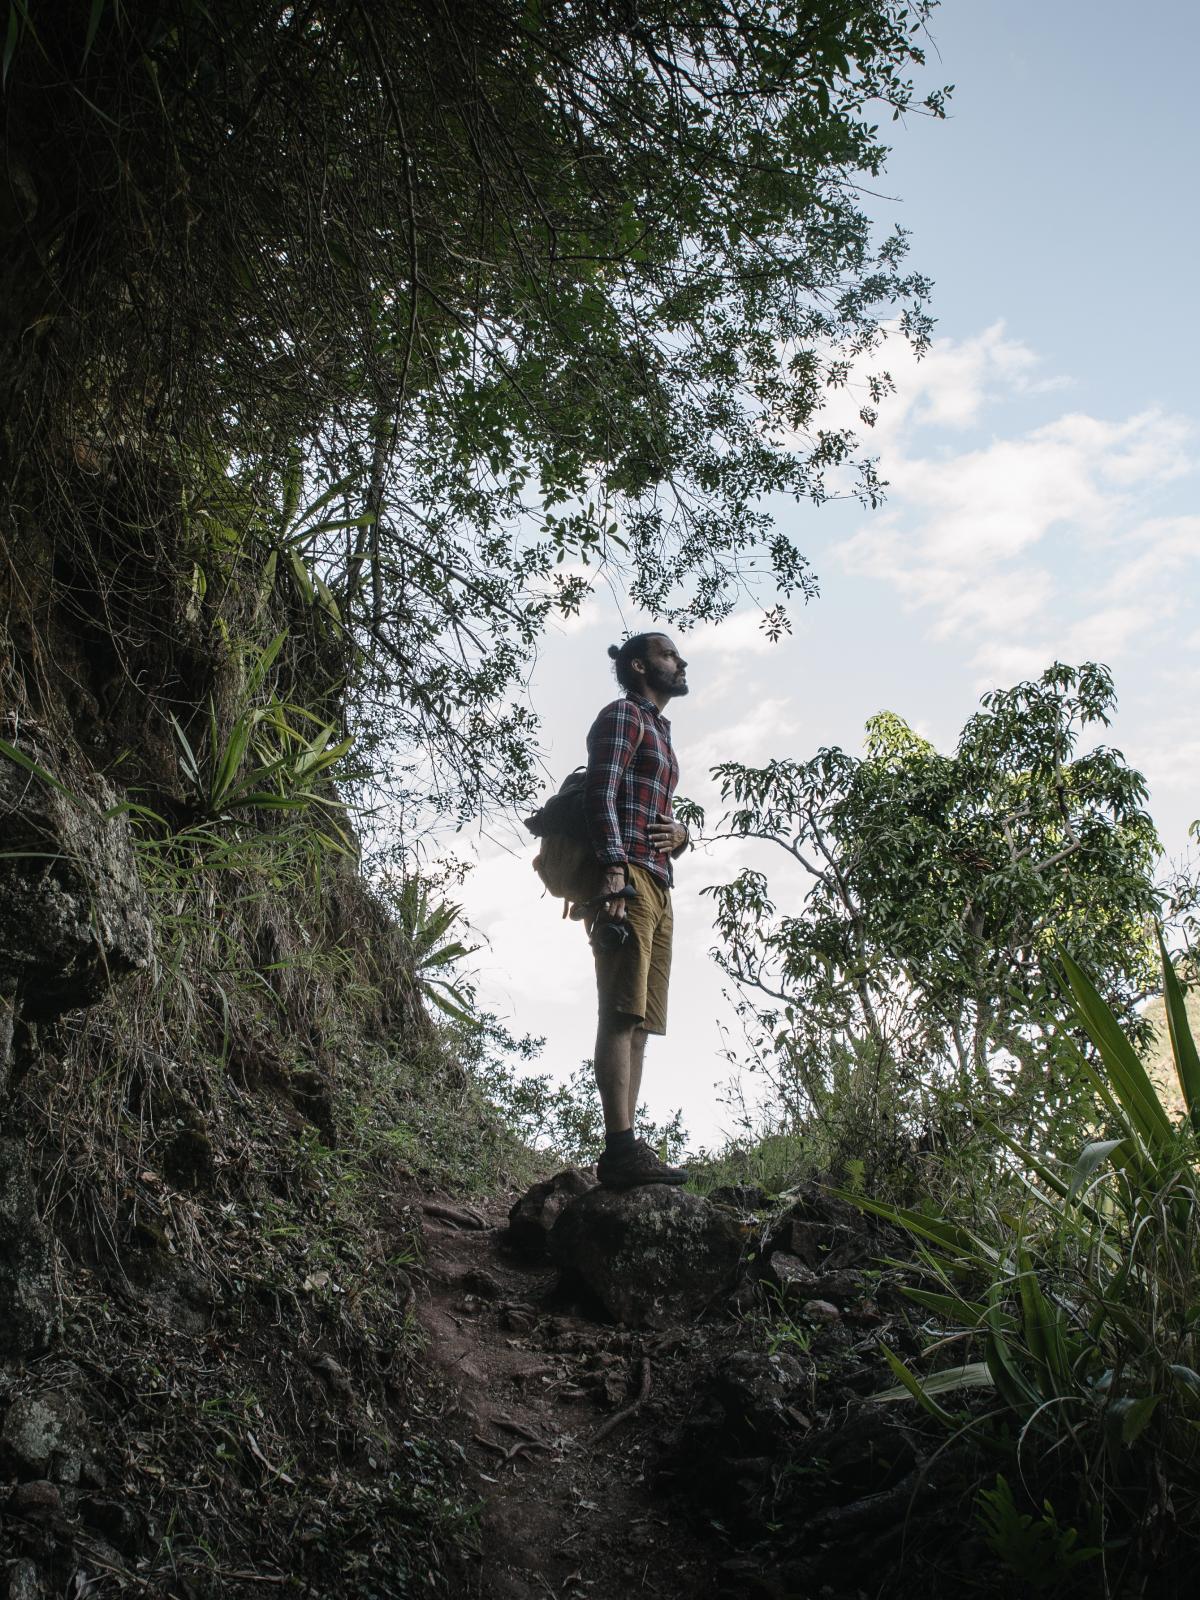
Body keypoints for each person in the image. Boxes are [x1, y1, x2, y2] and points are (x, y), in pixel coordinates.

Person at [584, 632, 691, 1188]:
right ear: (639, 666)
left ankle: (628, 1148)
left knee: (644, 1019)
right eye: (669, 654)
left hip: (659, 879)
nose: (680, 662)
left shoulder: (660, 731)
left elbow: (656, 808)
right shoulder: (624, 715)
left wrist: (683, 832)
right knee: (621, 1011)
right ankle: (618, 1146)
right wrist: (613, 870)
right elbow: (602, 793)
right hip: (627, 878)